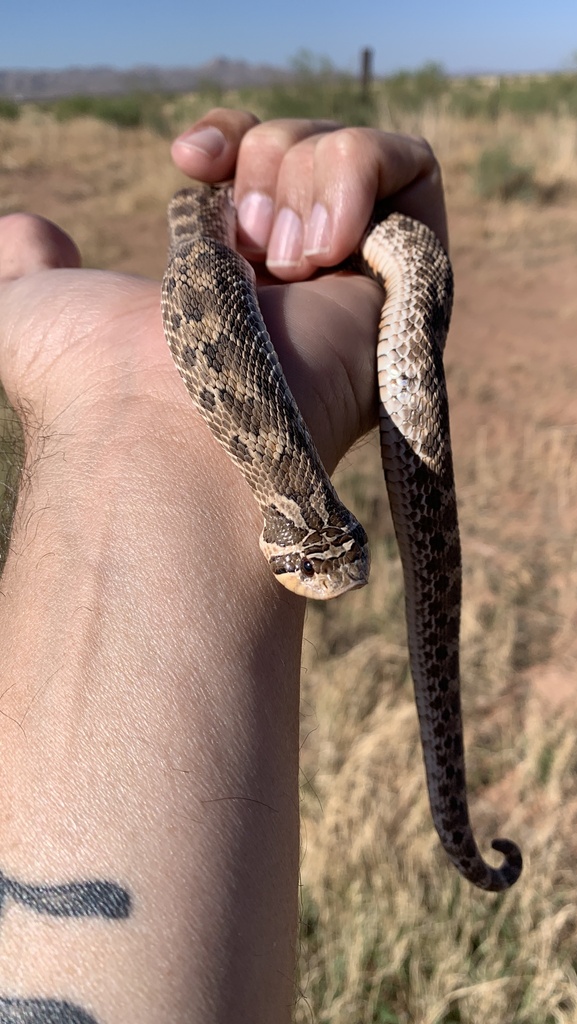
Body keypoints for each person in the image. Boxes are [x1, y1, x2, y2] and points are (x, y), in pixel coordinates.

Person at [0, 110, 448, 1022]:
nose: (338, 581)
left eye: (335, 555)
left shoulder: (291, 501)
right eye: (318, 556)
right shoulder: (277, 495)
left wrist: (139, 423)